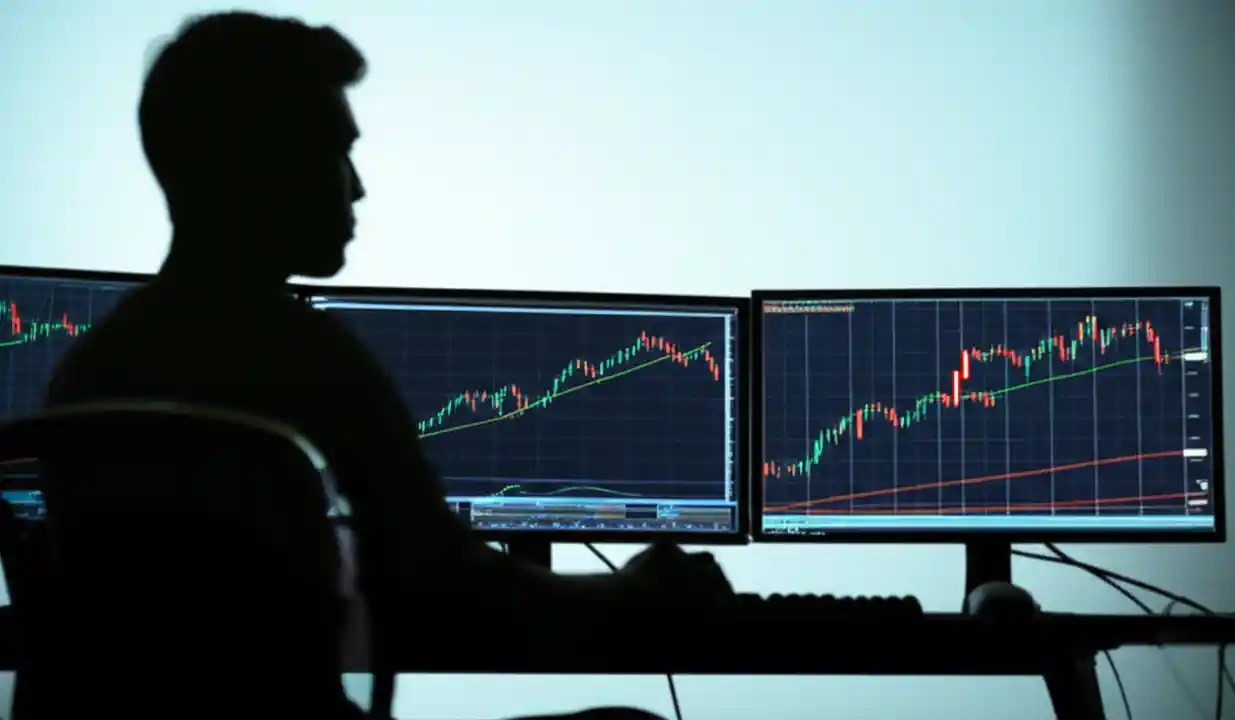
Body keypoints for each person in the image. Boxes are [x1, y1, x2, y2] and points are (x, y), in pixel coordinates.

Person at [45, 10, 732, 719]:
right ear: (263, 163)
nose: (358, 187)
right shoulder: (301, 356)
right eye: (335, 150)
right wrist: (636, 590)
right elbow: (453, 588)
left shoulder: (91, 370)